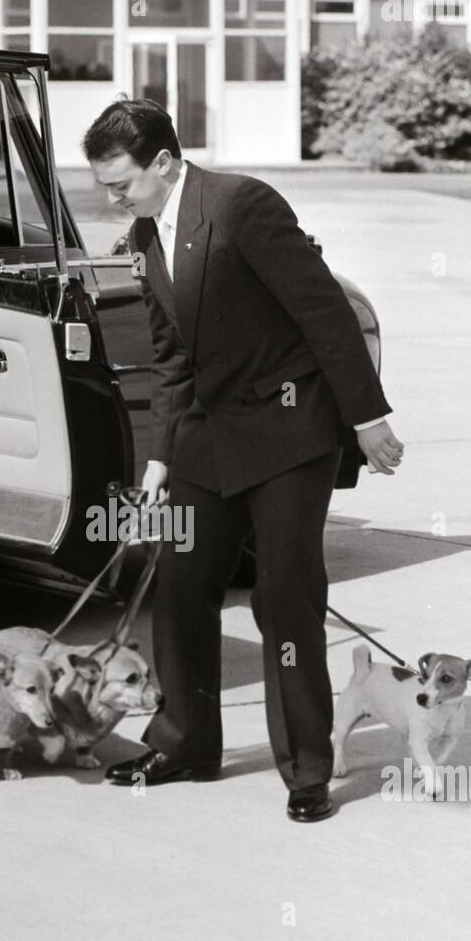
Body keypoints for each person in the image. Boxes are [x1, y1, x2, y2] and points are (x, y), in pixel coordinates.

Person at [82, 98, 404, 823]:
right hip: (206, 437)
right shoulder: (141, 235)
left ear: (164, 164)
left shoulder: (240, 206)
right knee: (181, 577)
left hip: (289, 433)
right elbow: (170, 359)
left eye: (122, 183)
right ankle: (186, 742)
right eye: (105, 185)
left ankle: (306, 767)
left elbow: (322, 309)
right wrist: (158, 463)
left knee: (283, 597)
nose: (113, 198)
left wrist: (368, 417)